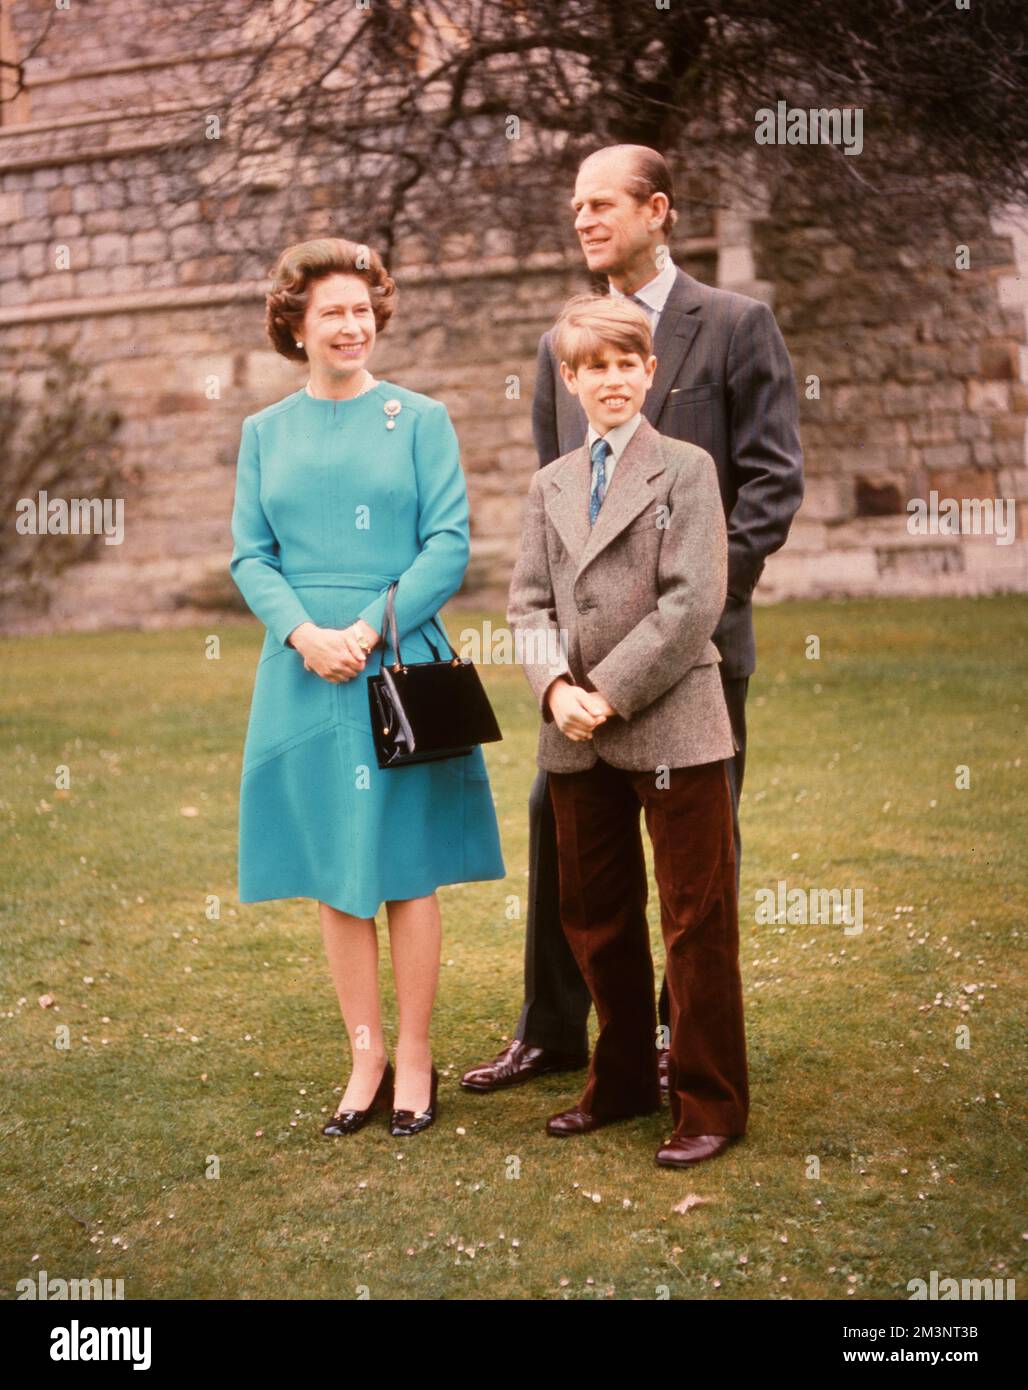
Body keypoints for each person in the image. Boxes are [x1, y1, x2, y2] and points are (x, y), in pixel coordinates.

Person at [462, 143, 803, 1097]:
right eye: (576, 205)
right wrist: (563, 675)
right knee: (559, 831)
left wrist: (691, 613)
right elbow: (557, 501)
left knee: (698, 855)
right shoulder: (558, 347)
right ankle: (556, 1032)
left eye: (604, 203)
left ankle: (673, 1042)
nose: (584, 219)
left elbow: (773, 484)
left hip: (695, 652)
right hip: (575, 683)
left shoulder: (735, 324)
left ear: (659, 210)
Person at [229, 237, 505, 1139]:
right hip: (303, 670)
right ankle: (366, 1056)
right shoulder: (263, 433)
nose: (352, 326)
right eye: (331, 314)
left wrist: (368, 627)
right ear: (297, 328)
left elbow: (450, 543)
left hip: (397, 661)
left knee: (407, 870)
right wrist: (306, 634)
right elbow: (250, 555)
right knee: (337, 875)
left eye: (362, 310)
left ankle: (417, 1056)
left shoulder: (420, 418)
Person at [506, 292, 747, 1166]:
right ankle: (619, 1083)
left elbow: (693, 605)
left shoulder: (686, 468)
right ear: (569, 380)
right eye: (592, 368)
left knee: (695, 917)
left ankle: (710, 1100)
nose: (610, 381)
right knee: (596, 916)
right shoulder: (549, 485)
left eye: (625, 365)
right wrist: (552, 689)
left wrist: (604, 688)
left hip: (673, 720)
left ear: (649, 373)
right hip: (574, 732)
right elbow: (526, 603)